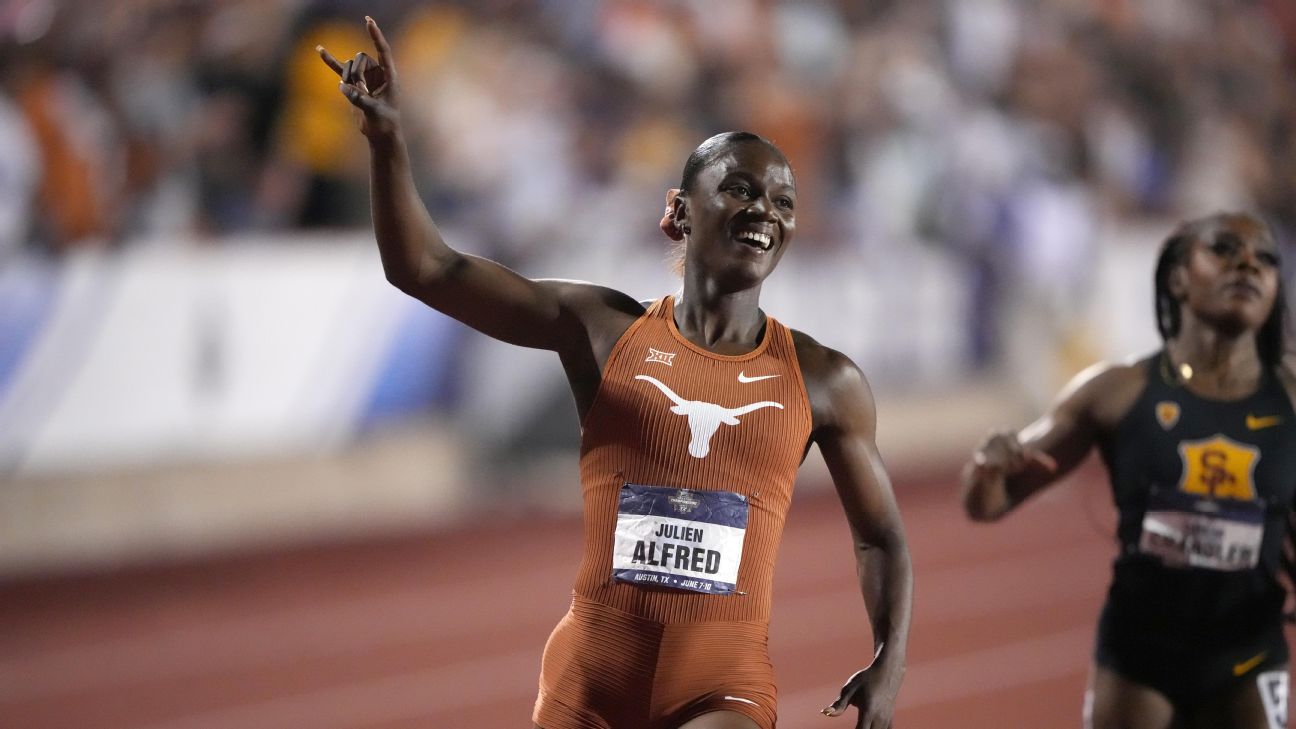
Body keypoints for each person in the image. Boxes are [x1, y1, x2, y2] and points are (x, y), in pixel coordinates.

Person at [317, 17, 911, 729]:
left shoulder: (824, 380)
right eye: (742, 190)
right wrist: (385, 143)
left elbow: (880, 534)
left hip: (722, 683)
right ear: (678, 214)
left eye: (783, 202)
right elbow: (427, 269)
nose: (765, 212)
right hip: (589, 677)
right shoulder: (603, 332)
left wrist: (889, 656)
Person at [961, 211, 1295, 729]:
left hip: (1249, 654)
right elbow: (987, 503)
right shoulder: (1116, 392)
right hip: (1140, 660)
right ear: (1178, 277)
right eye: (1225, 250)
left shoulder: (1291, 400)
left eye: (1266, 259)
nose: (1248, 265)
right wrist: (988, 467)